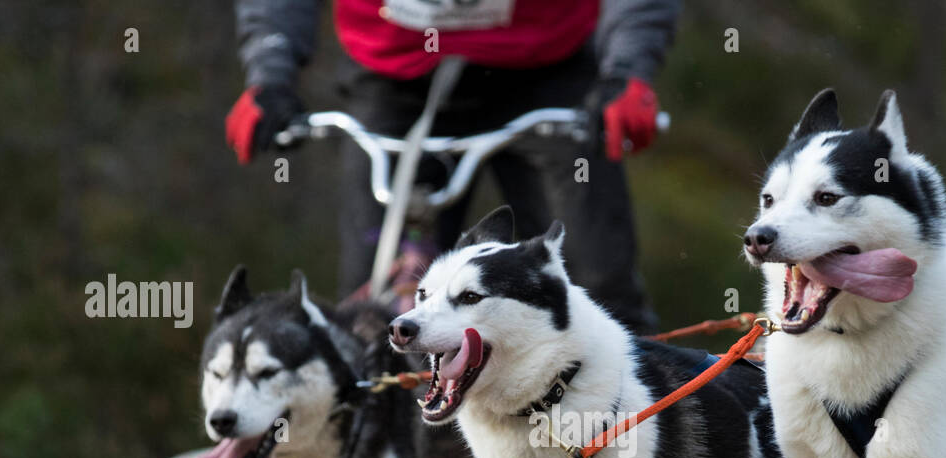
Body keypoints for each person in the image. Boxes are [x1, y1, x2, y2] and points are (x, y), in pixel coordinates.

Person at [224, 0, 680, 333]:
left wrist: (628, 69)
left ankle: (634, 439)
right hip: (393, 78)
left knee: (596, 282)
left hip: (547, 71)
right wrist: (270, 69)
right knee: (373, 313)